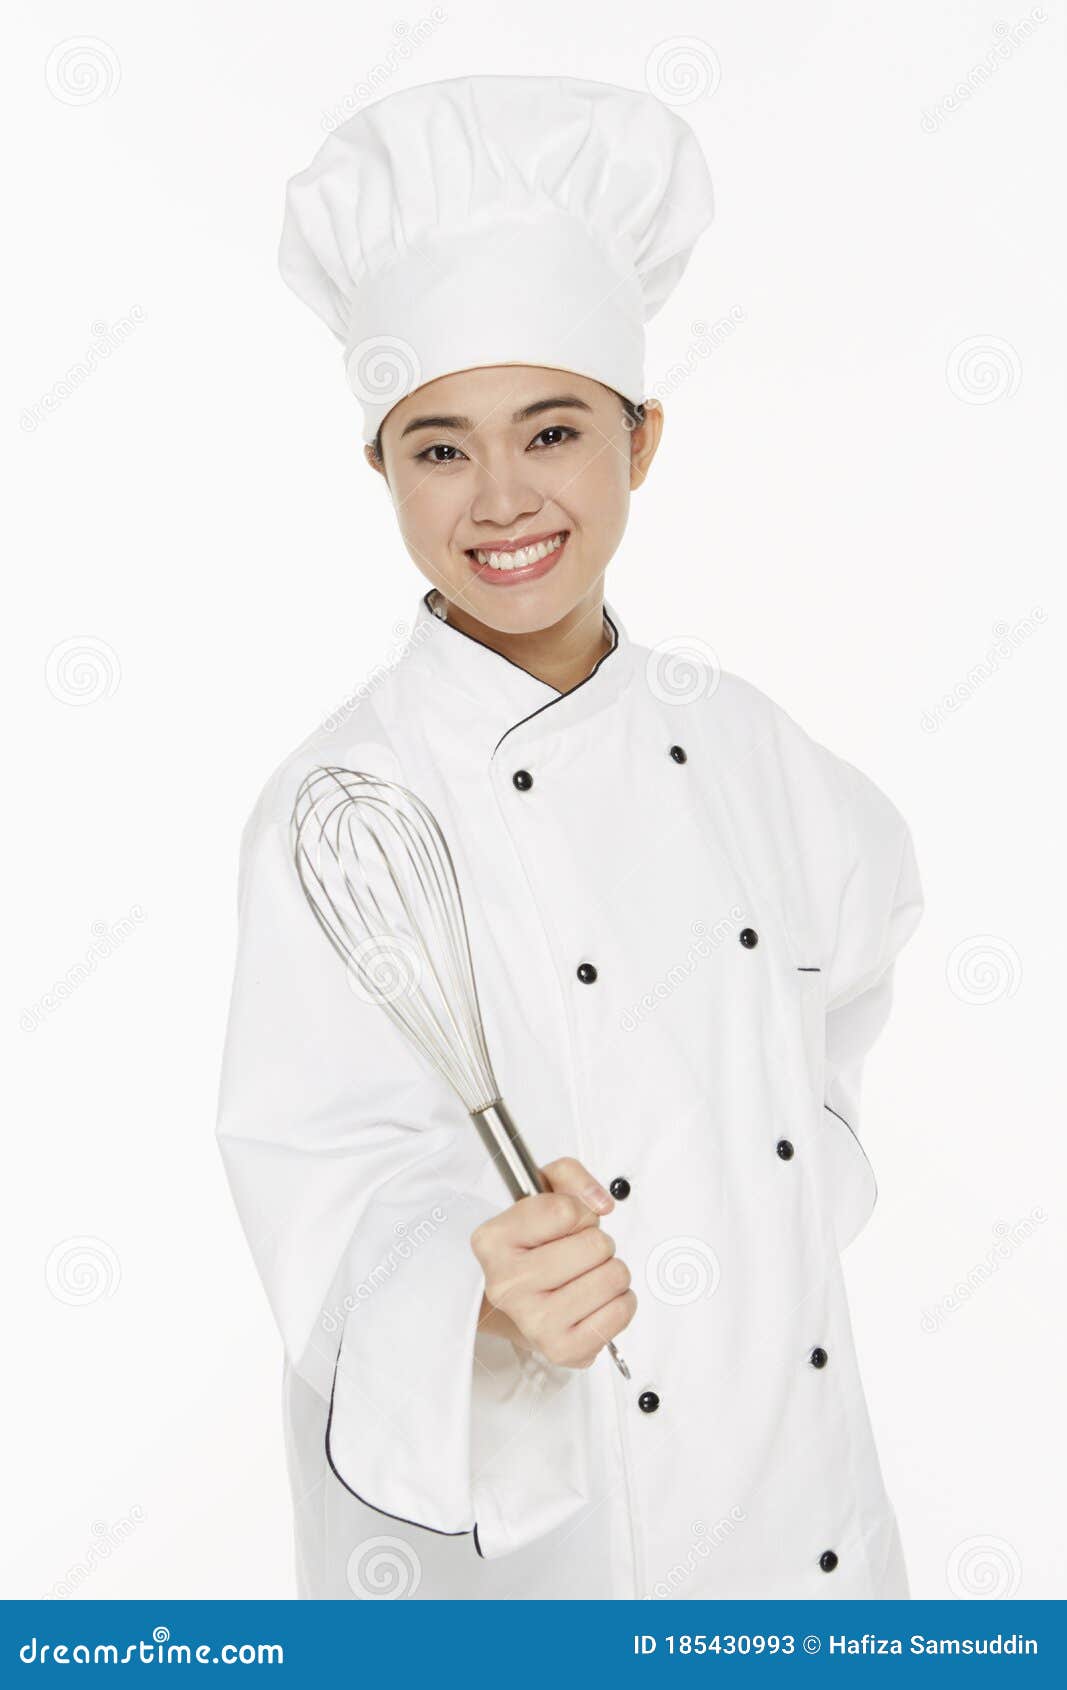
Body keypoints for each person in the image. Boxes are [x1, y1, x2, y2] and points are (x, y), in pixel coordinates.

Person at [215, 73, 923, 1600]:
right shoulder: (343, 803)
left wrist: (786, 1193)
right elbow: (318, 1186)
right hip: (539, 1560)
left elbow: (856, 967)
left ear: (642, 438)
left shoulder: (746, 744)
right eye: (440, 447)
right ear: (381, 469)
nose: (505, 497)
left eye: (553, 429)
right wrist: (468, 1293)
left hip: (809, 1526)